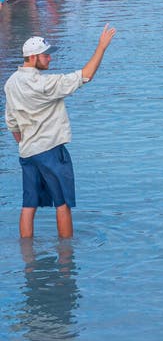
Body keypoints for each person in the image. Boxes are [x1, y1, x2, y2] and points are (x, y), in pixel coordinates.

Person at [4, 25, 116, 238]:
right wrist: (101, 47)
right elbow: (86, 76)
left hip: (27, 153)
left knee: (29, 205)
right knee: (62, 204)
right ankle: (66, 260)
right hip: (51, 152)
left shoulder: (11, 83)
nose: (50, 59)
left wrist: (24, 144)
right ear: (34, 57)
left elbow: (11, 123)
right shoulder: (45, 84)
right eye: (46, 56)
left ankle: (27, 256)